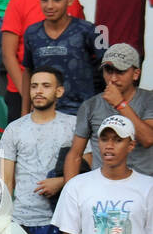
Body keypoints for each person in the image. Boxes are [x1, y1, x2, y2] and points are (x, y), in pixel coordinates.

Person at [0, 68, 77, 234]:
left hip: (61, 219)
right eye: (34, 86)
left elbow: (87, 169)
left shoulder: (73, 125)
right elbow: (5, 181)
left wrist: (62, 181)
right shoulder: (14, 128)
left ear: (59, 91)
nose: (38, 91)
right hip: (20, 220)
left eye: (46, 86)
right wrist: (4, 221)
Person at [64, 44, 153, 182]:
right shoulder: (90, 105)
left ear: (136, 74)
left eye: (120, 71)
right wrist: (69, 192)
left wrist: (120, 104)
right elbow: (75, 154)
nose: (113, 78)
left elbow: (148, 139)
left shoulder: (149, 99)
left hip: (143, 186)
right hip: (102, 187)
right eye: (108, 70)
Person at [22, 0, 102, 117]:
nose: (50, 6)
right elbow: (28, 71)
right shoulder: (32, 33)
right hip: (43, 115)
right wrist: (24, 113)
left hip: (81, 116)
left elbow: (105, 70)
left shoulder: (88, 31)